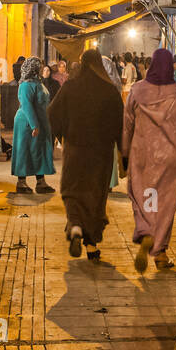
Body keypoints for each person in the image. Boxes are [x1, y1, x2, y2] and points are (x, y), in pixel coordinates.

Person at [121, 48, 176, 273]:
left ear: (151, 66)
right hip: (170, 155)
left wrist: (125, 154)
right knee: (165, 203)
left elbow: (127, 125)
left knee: (145, 196)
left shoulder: (136, 91)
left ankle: (146, 232)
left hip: (142, 154)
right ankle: (161, 252)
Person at [48, 49, 124, 260]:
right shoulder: (109, 90)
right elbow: (120, 123)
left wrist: (59, 135)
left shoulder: (71, 87)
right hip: (101, 154)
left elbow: (52, 113)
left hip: (75, 150)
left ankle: (74, 225)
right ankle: (91, 245)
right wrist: (122, 150)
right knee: (95, 197)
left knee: (72, 191)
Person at [12, 57, 55, 194]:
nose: (42, 68)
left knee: (39, 151)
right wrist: (34, 125)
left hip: (38, 121)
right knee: (24, 151)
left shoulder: (37, 82)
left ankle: (40, 182)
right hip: (26, 123)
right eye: (40, 66)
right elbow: (26, 105)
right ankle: (21, 183)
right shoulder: (25, 85)